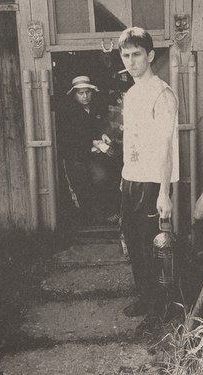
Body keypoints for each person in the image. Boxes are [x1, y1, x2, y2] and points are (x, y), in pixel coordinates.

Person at [118, 27, 179, 326]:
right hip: (131, 179)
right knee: (133, 244)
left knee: (152, 247)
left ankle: (160, 311)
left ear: (150, 56)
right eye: (126, 55)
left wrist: (164, 193)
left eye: (137, 55)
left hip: (154, 182)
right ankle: (145, 298)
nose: (131, 62)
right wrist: (124, 178)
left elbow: (166, 147)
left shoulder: (162, 94)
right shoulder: (131, 94)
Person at [59, 75, 120, 226]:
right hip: (75, 156)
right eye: (81, 93)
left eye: (88, 92)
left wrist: (103, 135)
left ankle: (102, 217)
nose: (85, 96)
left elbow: (100, 127)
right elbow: (69, 138)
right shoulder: (68, 112)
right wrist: (93, 142)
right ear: (74, 94)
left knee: (101, 179)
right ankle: (90, 221)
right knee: (82, 187)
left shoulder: (95, 109)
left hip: (92, 155)